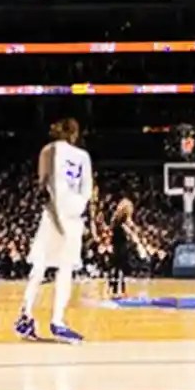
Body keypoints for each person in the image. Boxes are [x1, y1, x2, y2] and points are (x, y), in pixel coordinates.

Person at [15, 118, 92, 344]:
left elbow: (43, 187)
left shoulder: (48, 150)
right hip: (73, 216)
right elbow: (87, 191)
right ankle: (57, 321)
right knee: (65, 269)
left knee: (39, 267)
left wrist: (56, 211)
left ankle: (26, 315)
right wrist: (75, 211)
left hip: (53, 213)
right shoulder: (83, 156)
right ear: (74, 133)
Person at [109, 198, 146, 298]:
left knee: (117, 269)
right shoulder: (123, 223)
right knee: (121, 269)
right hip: (122, 246)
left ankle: (116, 290)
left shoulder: (116, 220)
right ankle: (120, 291)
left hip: (116, 246)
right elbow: (131, 233)